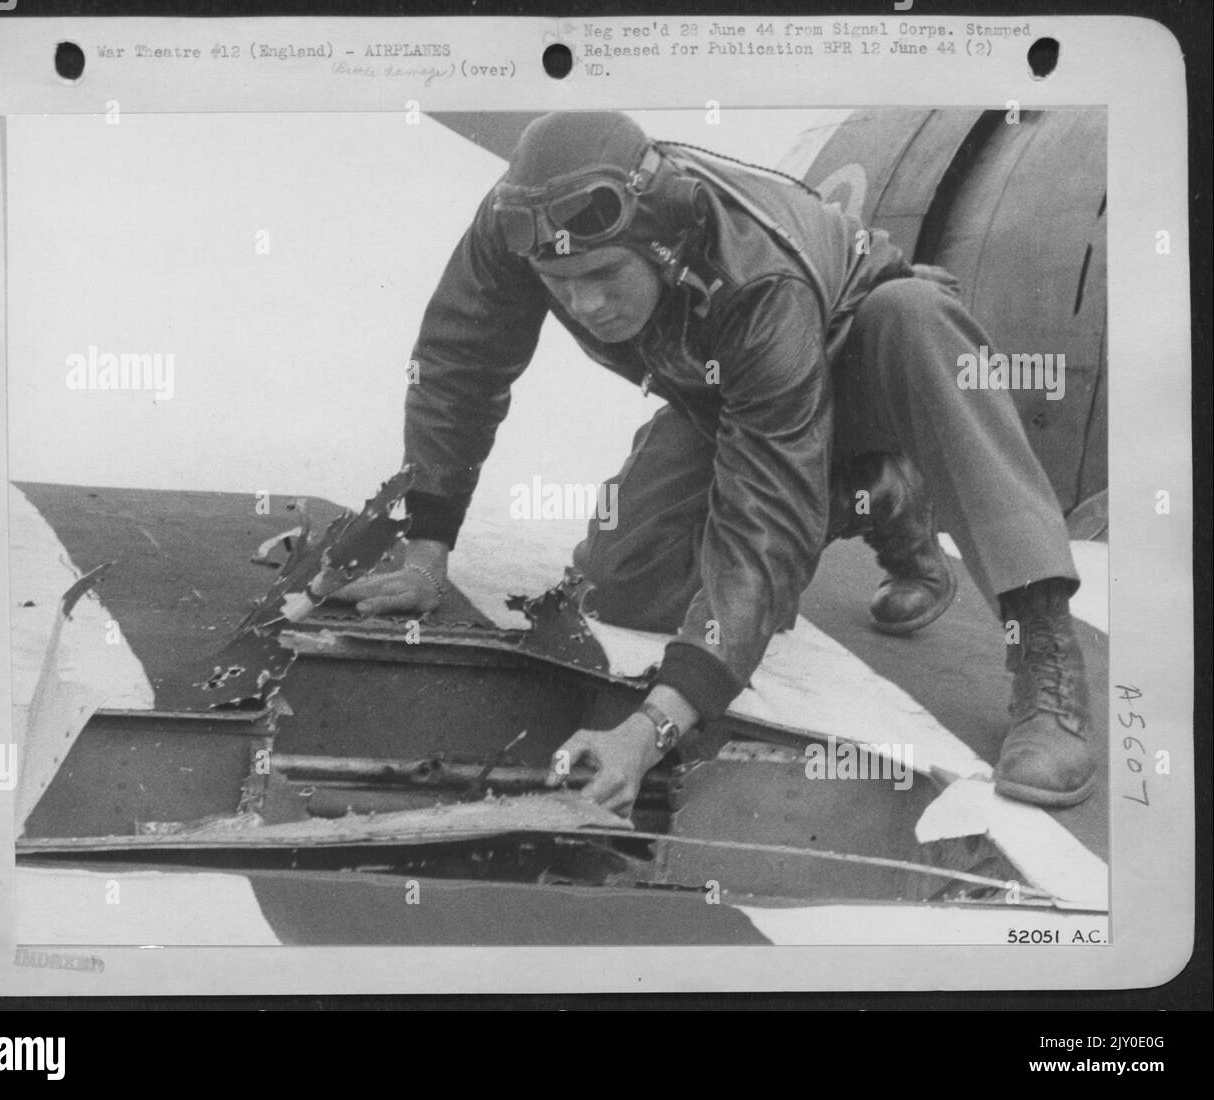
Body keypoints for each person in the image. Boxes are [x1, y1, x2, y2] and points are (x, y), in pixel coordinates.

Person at [335, 111, 1095, 815]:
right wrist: (426, 553)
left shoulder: (754, 275)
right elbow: (457, 364)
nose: (587, 306)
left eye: (605, 277)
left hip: (856, 357)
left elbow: (764, 514)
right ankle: (876, 492)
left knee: (916, 324)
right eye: (561, 287)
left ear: (663, 245)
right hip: (729, 396)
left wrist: (653, 727)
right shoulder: (516, 225)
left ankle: (1046, 658)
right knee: (619, 587)